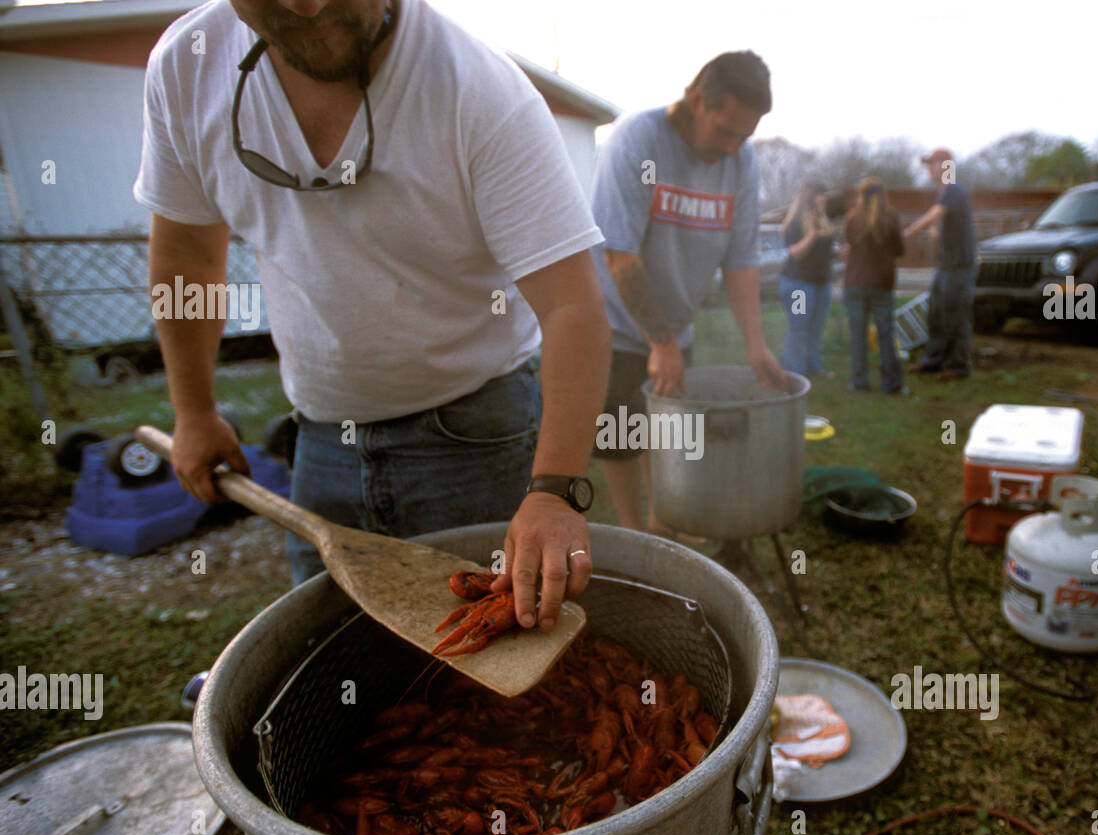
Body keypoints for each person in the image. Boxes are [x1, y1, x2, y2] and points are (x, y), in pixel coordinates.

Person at [133, 0, 611, 633]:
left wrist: (552, 491)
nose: (307, 4)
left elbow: (571, 303)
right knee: (338, 656)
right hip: (323, 436)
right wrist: (193, 411)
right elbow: (190, 255)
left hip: (477, 432)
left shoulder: (479, 89)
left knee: (494, 665)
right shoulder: (186, 69)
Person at [589, 51, 785, 536]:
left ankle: (665, 530)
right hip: (614, 326)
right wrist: (660, 342)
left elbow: (741, 261)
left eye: (746, 136)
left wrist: (756, 346)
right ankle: (637, 536)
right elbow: (620, 255)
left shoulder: (740, 161)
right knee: (623, 440)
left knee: (671, 440)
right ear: (697, 101)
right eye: (726, 131)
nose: (734, 146)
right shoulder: (638, 140)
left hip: (677, 327)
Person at [903, 147, 975, 381]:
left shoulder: (954, 188)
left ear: (946, 165)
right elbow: (937, 227)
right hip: (946, 265)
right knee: (936, 312)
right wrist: (934, 227)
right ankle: (933, 361)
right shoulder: (945, 193)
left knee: (955, 314)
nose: (928, 168)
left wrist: (909, 232)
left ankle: (958, 366)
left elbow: (934, 215)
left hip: (959, 267)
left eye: (931, 163)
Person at [841, 177, 906, 394]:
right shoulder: (891, 217)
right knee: (885, 334)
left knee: (858, 335)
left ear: (862, 195)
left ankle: (859, 382)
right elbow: (899, 250)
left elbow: (849, 245)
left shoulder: (852, 219)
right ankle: (892, 384)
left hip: (855, 283)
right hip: (881, 283)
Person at [779, 182, 836, 378]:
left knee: (816, 328)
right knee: (798, 329)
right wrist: (813, 233)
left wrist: (838, 253)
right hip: (798, 286)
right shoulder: (795, 222)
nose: (825, 198)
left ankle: (814, 368)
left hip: (821, 284)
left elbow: (823, 251)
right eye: (821, 194)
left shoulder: (823, 220)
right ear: (810, 198)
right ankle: (794, 374)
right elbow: (796, 253)